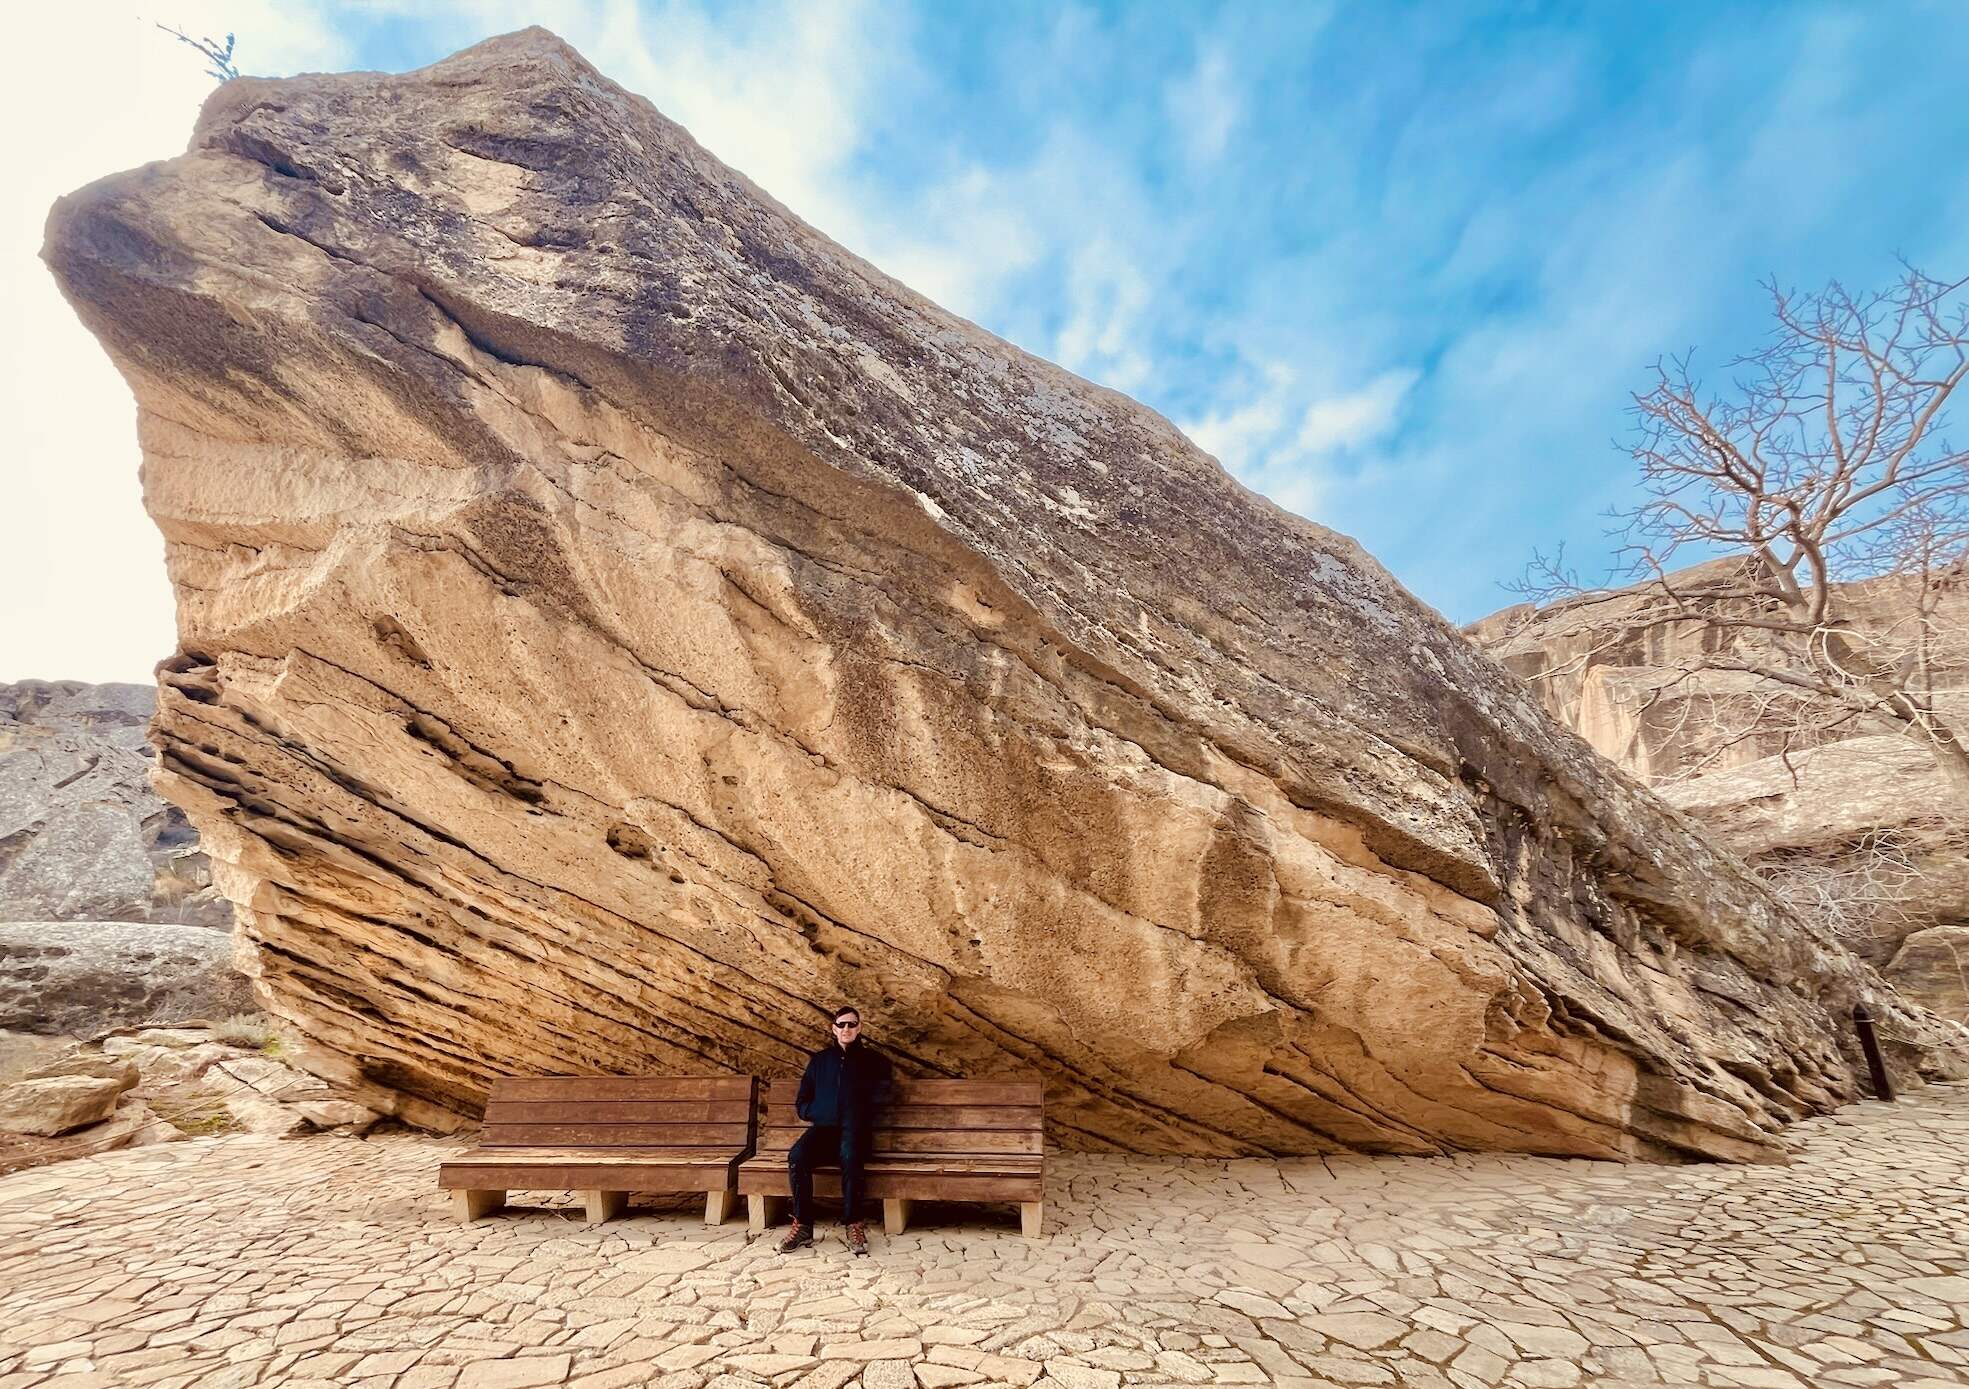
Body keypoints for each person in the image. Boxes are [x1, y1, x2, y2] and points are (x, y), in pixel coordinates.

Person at [778, 1004, 894, 1256]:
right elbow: (803, 1101)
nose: (846, 1029)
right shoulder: (819, 1061)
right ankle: (803, 1225)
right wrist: (818, 1112)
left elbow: (885, 1089)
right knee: (797, 1157)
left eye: (852, 1024)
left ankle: (854, 1223)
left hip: (854, 1130)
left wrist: (860, 1110)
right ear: (833, 1029)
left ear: (859, 1027)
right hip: (824, 1129)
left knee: (851, 1159)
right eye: (841, 1024)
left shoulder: (873, 1061)